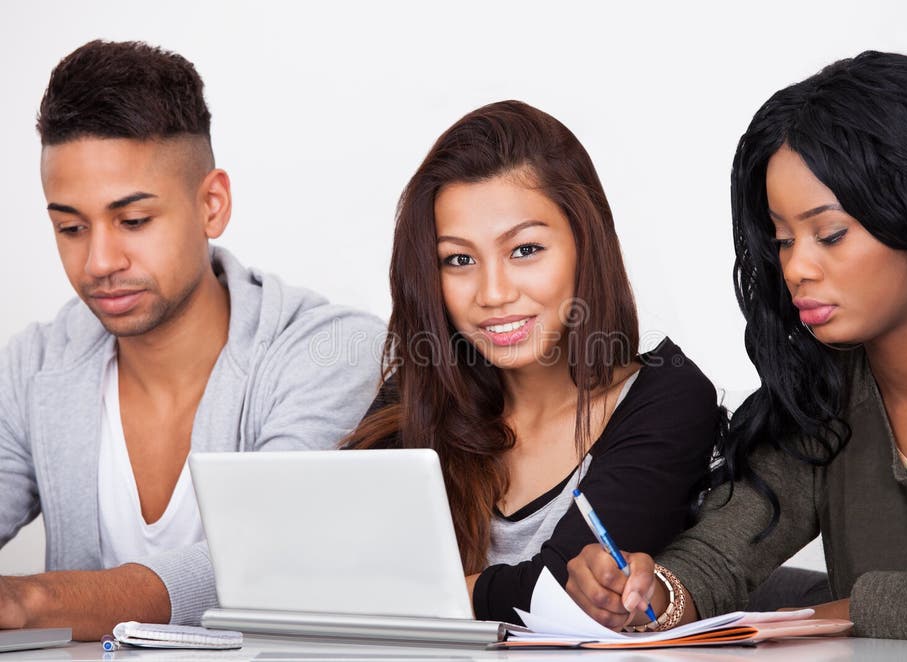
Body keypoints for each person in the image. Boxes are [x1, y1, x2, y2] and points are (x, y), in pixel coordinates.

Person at [565, 51, 907, 642]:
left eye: (830, 234)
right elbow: (718, 556)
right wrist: (648, 595)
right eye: (783, 239)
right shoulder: (827, 385)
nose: (797, 268)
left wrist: (800, 624)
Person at [0, 40, 384, 640]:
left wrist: (34, 601)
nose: (99, 261)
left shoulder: (332, 352)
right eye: (70, 227)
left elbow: (262, 558)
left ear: (212, 204)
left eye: (133, 221)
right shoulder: (34, 367)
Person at [343, 100, 722, 625]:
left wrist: (403, 596)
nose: (493, 293)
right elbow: (329, 572)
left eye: (524, 250)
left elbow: (559, 596)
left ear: (586, 245)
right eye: (459, 259)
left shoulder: (667, 402)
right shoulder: (418, 392)